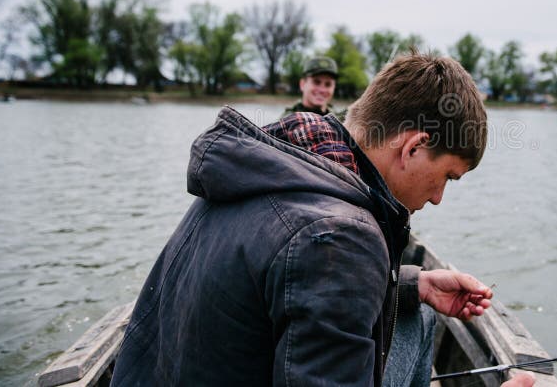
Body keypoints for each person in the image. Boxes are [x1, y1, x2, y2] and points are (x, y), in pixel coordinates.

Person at [111, 52, 535, 387]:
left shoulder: (269, 163)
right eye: (446, 177)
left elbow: (284, 277)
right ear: (413, 147)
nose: (439, 198)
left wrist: (412, 283)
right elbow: (317, 262)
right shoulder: (341, 237)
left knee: (418, 315)